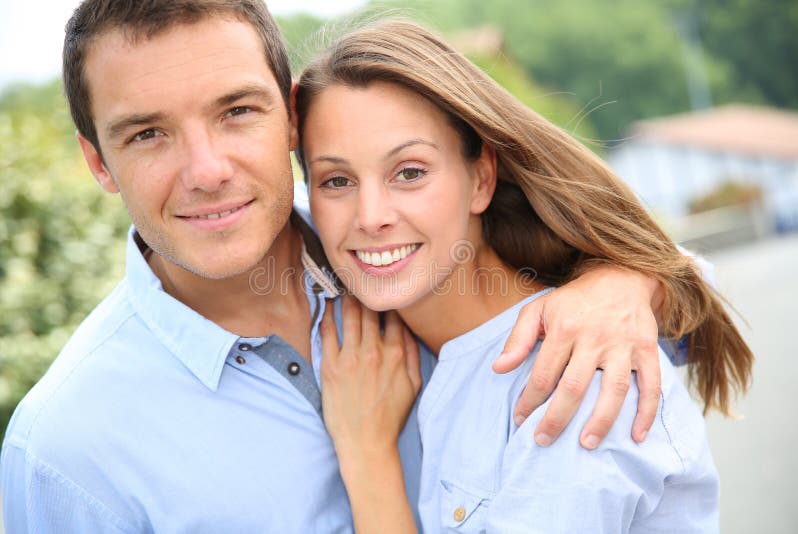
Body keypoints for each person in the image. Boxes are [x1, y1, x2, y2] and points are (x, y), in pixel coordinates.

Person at [0, 1, 695, 532]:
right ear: (98, 163)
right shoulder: (64, 452)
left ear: (291, 115)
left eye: (237, 111)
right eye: (148, 133)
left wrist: (624, 284)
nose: (207, 172)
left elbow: (681, 291)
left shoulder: (395, 254)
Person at [293, 19, 753, 532]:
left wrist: (367, 456)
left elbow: (687, 277)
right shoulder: (440, 341)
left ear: (482, 178)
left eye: (411, 172)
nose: (370, 215)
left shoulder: (572, 377)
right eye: (336, 180)